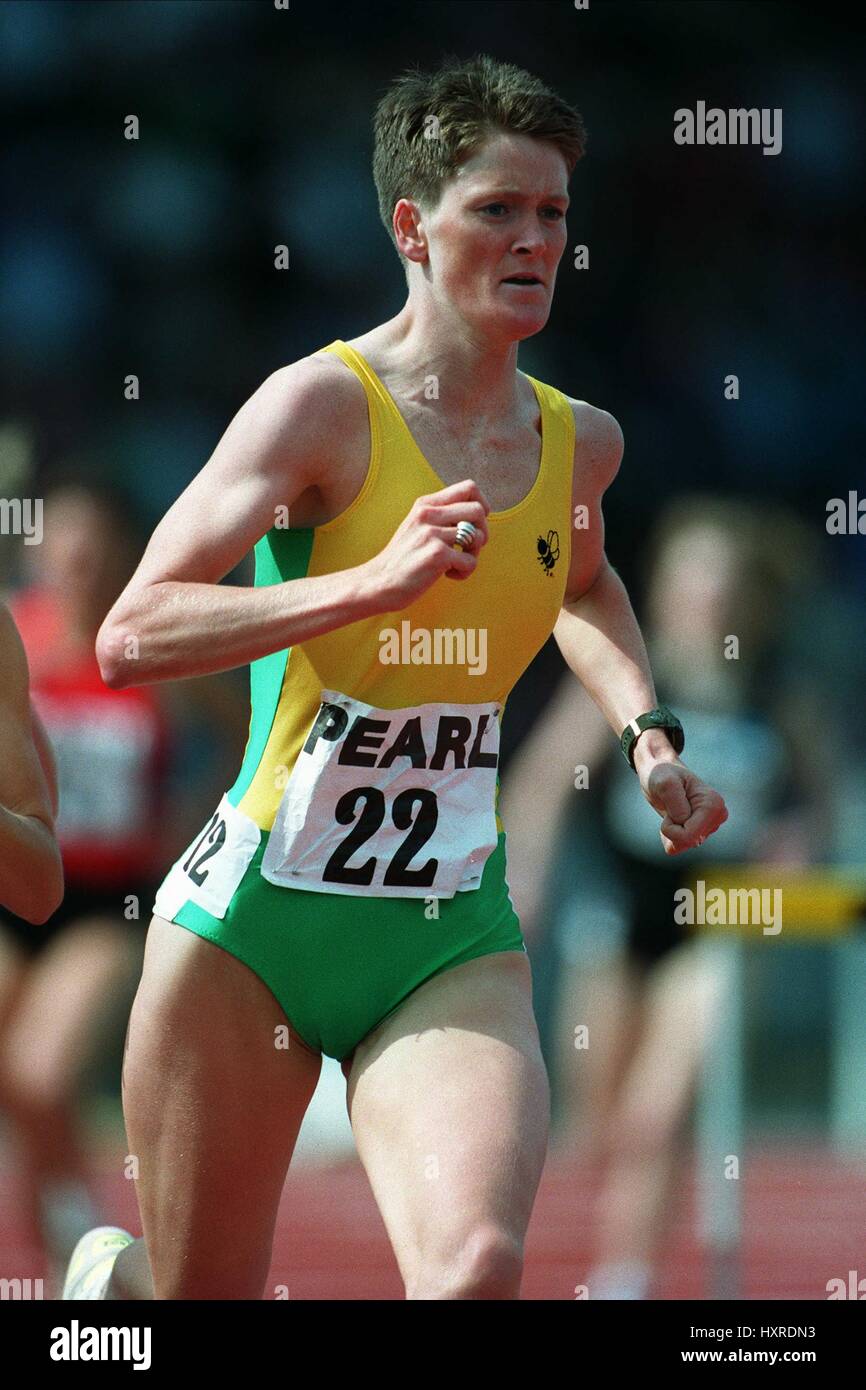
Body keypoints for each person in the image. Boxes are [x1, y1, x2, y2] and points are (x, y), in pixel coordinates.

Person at [63, 53, 727, 1302]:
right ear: (412, 227)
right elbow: (130, 632)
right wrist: (362, 587)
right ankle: (125, 1303)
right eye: (498, 212)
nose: (536, 242)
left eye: (553, 215)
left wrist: (645, 729)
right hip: (249, 925)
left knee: (474, 1266)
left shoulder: (578, 439)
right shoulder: (316, 407)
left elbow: (579, 583)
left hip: (443, 926)